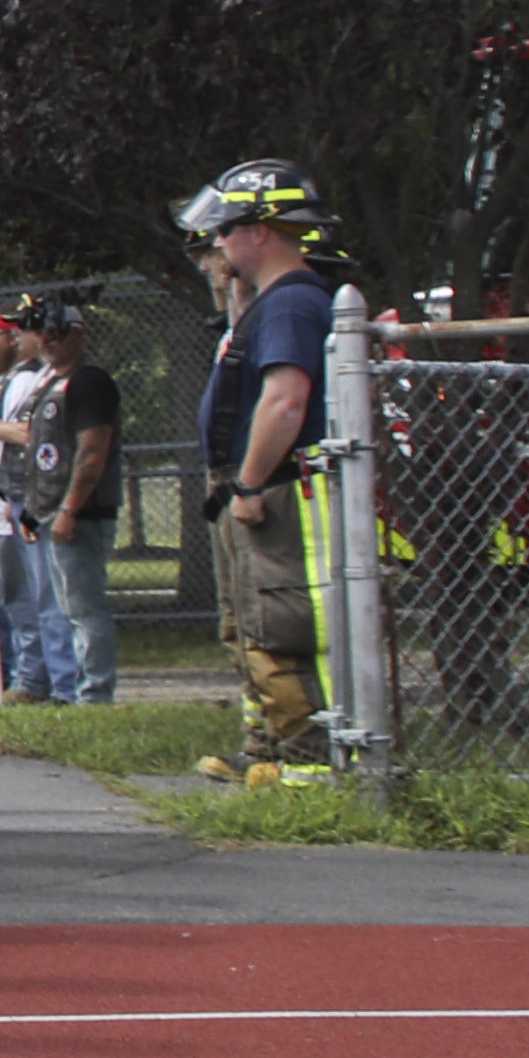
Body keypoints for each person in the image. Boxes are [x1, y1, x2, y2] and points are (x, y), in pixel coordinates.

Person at [182, 161, 342, 769]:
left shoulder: (293, 304)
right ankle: (267, 747)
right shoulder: (264, 303)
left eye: (225, 230)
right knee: (247, 624)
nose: (217, 245)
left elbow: (285, 399)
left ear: (261, 230)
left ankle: (308, 760)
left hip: (276, 490)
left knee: (281, 623)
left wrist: (249, 481)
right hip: (249, 489)